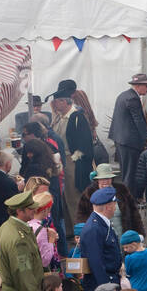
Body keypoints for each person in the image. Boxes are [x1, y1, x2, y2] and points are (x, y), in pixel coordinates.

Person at [0, 191, 44, 291]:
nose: (34, 210)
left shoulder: (8, 227)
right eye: (30, 208)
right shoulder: (19, 239)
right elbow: (23, 273)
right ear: (19, 211)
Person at [48, 79, 94, 212]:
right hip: (60, 161)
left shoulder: (77, 117)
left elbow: (84, 145)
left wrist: (73, 160)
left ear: (64, 101)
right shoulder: (58, 117)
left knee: (75, 199)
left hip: (71, 162)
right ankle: (70, 231)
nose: (54, 104)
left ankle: (79, 230)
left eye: (56, 101)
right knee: (65, 200)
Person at [108, 74, 147, 196]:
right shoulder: (132, 98)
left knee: (126, 171)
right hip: (129, 142)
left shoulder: (124, 95)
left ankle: (127, 199)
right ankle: (128, 201)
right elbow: (138, 120)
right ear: (138, 86)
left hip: (121, 139)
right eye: (146, 85)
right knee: (130, 174)